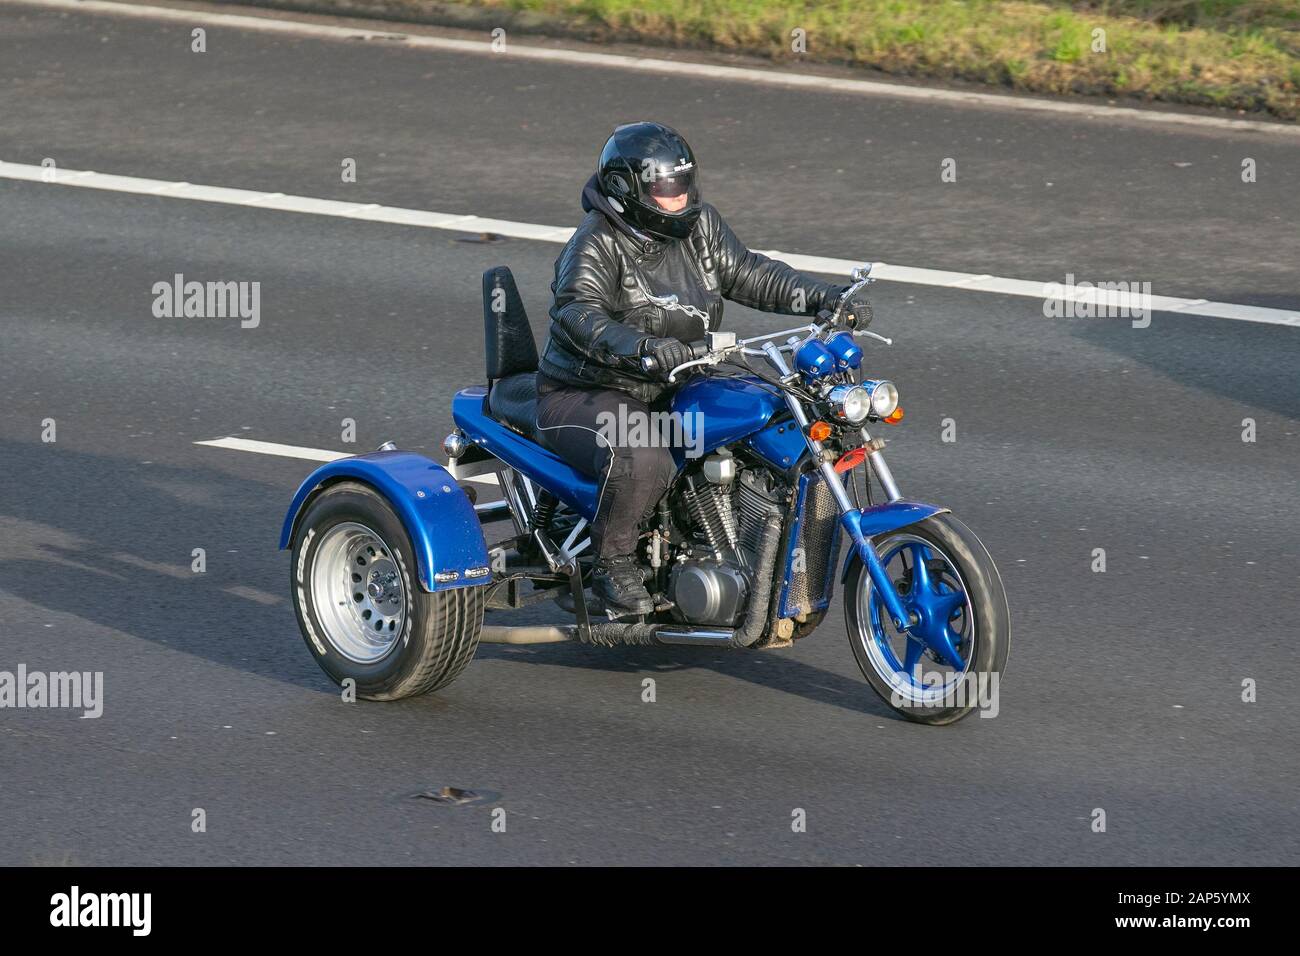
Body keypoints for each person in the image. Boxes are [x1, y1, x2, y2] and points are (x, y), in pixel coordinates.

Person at [536, 121, 868, 619]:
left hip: (677, 378)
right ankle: (612, 563)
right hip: (587, 389)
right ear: (627, 190)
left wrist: (826, 298)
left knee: (768, 414)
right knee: (643, 452)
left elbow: (748, 272)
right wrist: (643, 346)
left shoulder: (700, 227)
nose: (677, 198)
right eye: (663, 189)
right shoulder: (595, 243)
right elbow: (578, 314)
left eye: (681, 184)